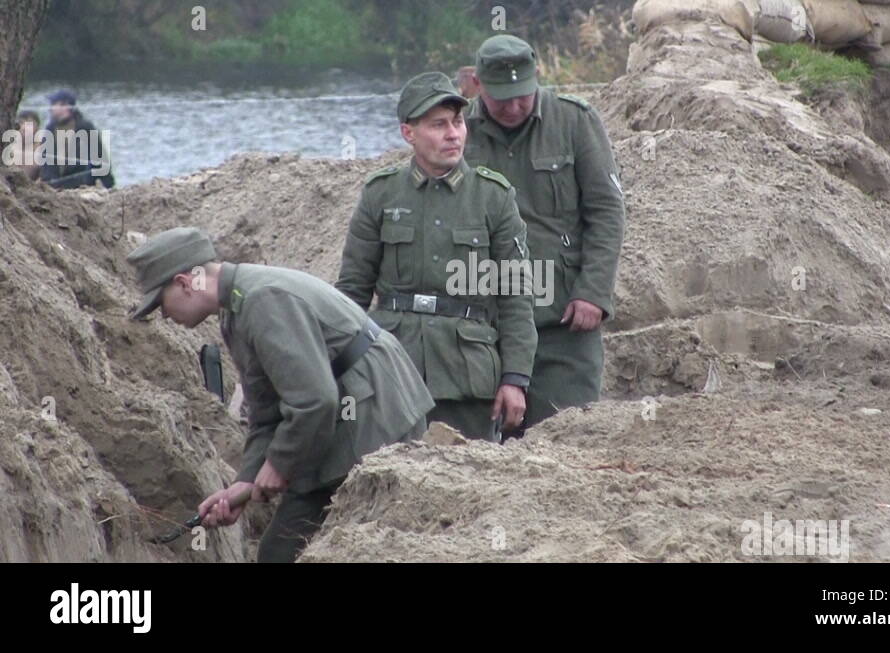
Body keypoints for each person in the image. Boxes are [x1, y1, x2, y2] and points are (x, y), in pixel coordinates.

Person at [126, 227, 434, 563]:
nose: (165, 315)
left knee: (327, 542)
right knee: (281, 548)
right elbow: (267, 412)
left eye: (161, 304)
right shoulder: (236, 307)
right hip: (349, 403)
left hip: (375, 407)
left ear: (185, 283)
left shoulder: (261, 301)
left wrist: (278, 465)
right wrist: (243, 484)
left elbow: (315, 400)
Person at [336, 72, 537, 442]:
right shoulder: (381, 194)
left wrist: (515, 379)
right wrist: (338, 368)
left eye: (458, 122)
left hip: (468, 376)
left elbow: (516, 297)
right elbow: (351, 292)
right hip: (394, 370)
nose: (453, 134)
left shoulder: (494, 196)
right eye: (438, 125)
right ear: (408, 133)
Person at [465, 35, 625, 433]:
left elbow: (606, 209)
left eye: (523, 94)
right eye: (502, 98)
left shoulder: (575, 121)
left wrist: (594, 290)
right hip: (485, 323)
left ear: (537, 77)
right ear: (478, 85)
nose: (515, 106)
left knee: (571, 434)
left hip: (563, 323)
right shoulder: (458, 132)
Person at [39, 89, 115, 189]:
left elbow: (101, 160)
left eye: (54, 104)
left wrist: (108, 186)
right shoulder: (50, 129)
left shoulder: (85, 127)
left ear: (66, 106)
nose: (51, 109)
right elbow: (46, 164)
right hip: (56, 186)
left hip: (82, 185)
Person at [12, 110, 42, 180]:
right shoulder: (8, 147)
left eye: (29, 124)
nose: (24, 128)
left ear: (37, 128)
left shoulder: (43, 151)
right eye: (21, 123)